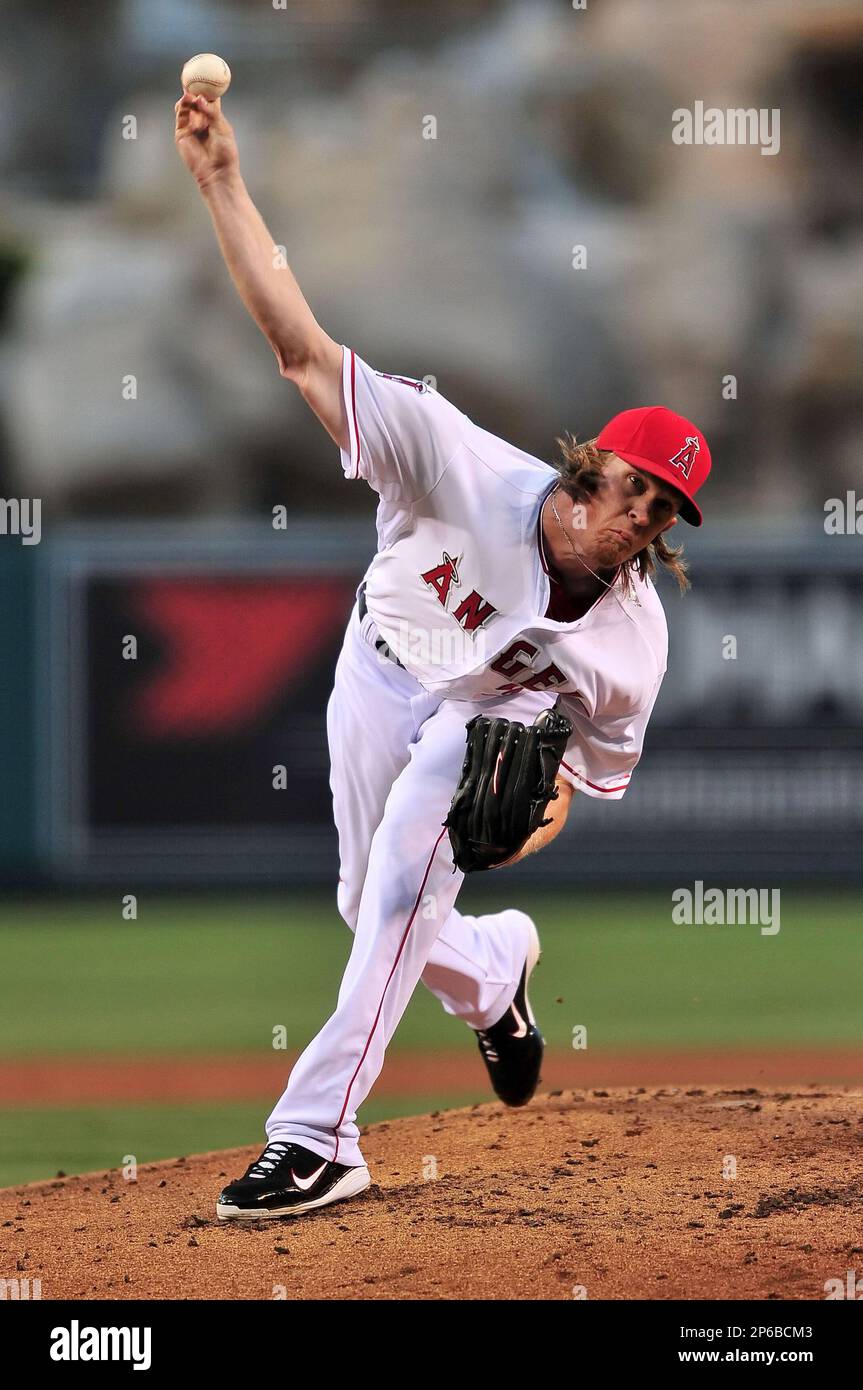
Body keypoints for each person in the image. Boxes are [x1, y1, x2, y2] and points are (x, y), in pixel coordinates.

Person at [174, 88, 711, 1221]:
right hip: (375, 667)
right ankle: (494, 971)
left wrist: (520, 821)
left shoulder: (630, 641)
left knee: (404, 885)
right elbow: (298, 349)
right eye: (637, 488)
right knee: (370, 908)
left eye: (666, 511)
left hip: (490, 720)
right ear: (593, 464)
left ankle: (317, 1136)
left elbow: (584, 781)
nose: (643, 518)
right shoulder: (450, 456)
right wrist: (223, 180)